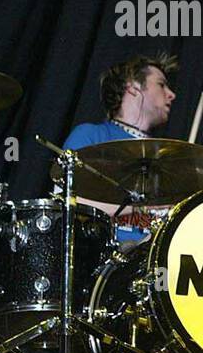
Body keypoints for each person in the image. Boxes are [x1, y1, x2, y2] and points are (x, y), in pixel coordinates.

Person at [63, 52, 178, 240]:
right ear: (133, 86)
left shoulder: (167, 154)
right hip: (99, 256)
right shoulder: (91, 135)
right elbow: (66, 201)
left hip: (147, 261)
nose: (171, 94)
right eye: (161, 85)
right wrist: (142, 209)